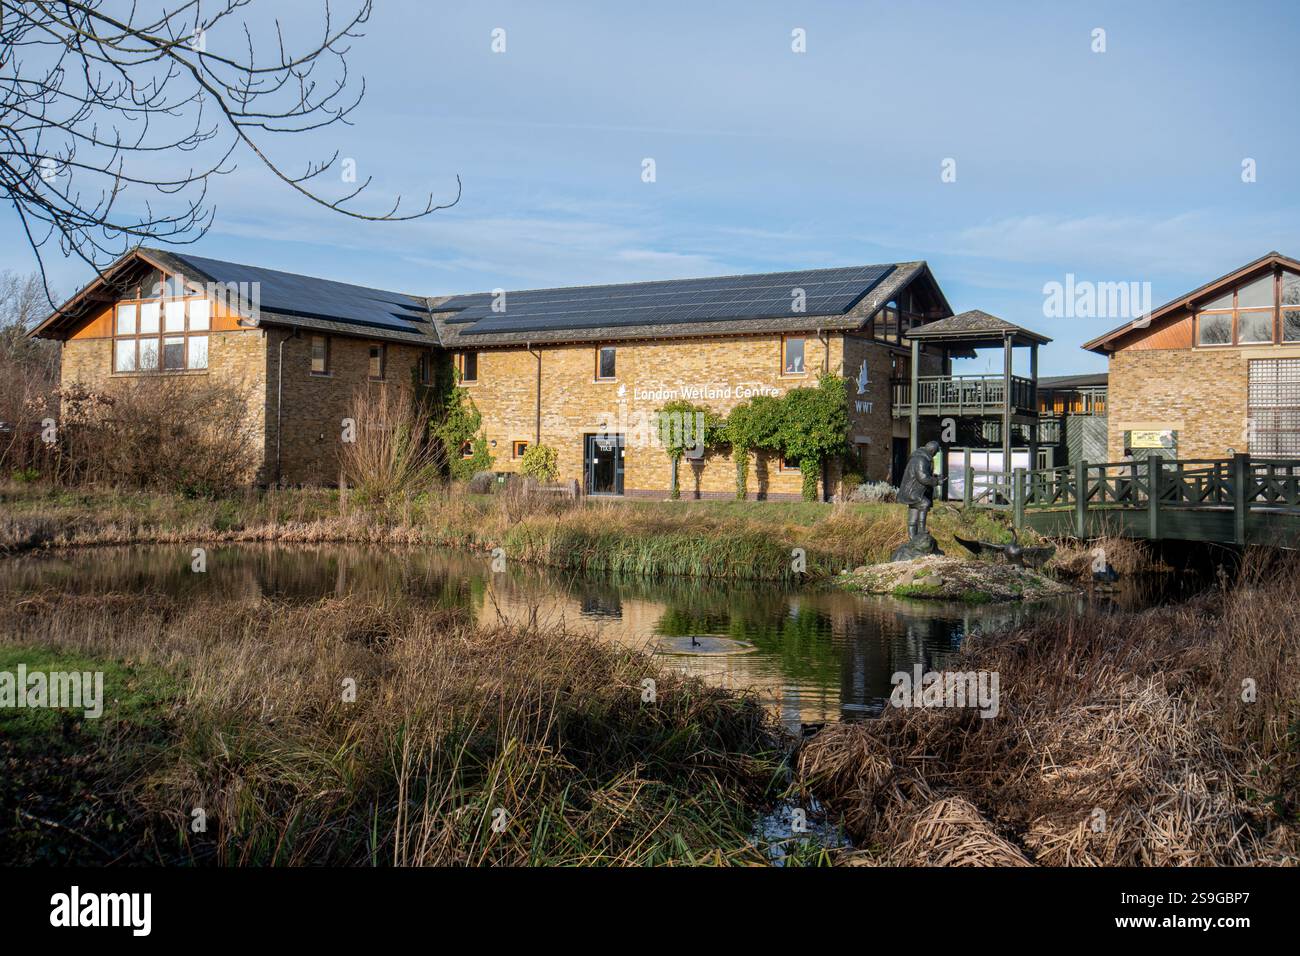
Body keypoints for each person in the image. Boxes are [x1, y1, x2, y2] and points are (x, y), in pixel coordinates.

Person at [898, 440, 943, 538]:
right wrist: (937, 482)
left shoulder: (920, 457)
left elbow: (924, 475)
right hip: (913, 492)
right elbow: (922, 477)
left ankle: (913, 539)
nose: (935, 455)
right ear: (932, 451)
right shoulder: (921, 459)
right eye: (935, 453)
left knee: (914, 513)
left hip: (914, 491)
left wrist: (935, 477)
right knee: (924, 503)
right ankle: (922, 530)